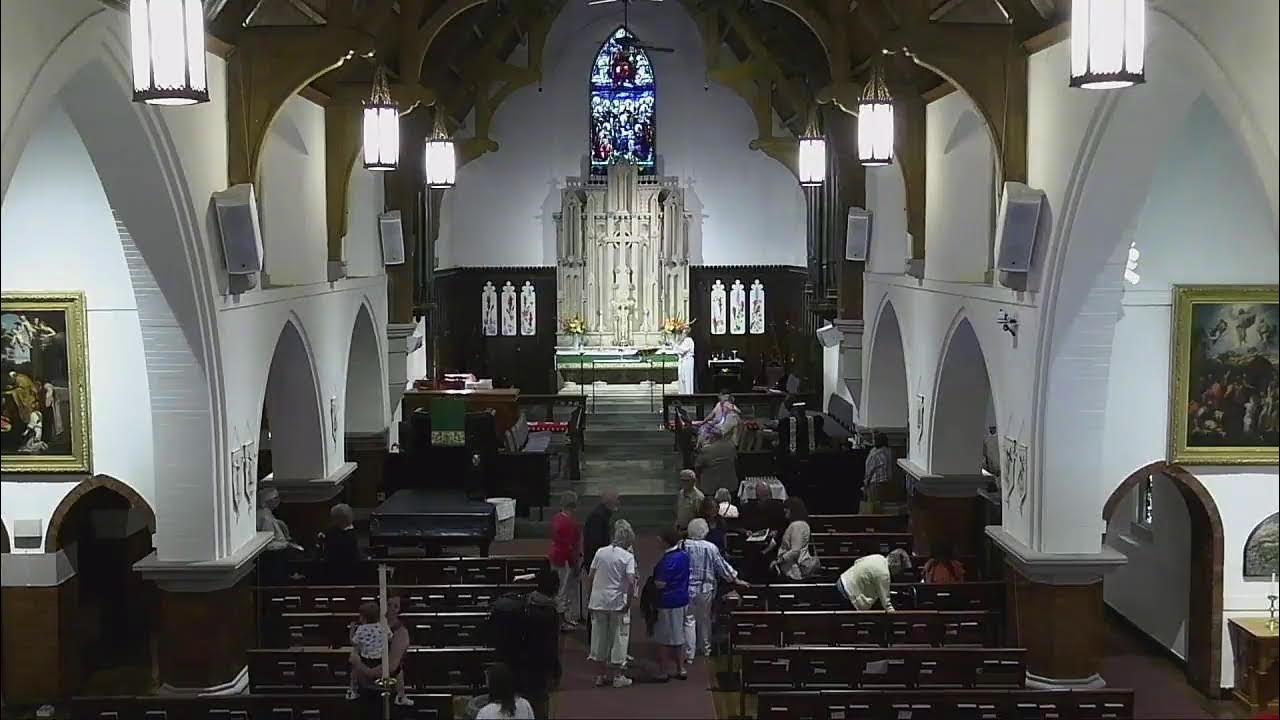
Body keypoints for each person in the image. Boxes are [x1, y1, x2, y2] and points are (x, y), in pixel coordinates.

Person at [489, 569, 561, 719]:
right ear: (555, 589)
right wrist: (555, 671)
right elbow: (550, 647)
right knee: (539, 705)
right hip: (538, 669)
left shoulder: (523, 603)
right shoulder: (549, 613)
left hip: (516, 665)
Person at [683, 518, 749, 661]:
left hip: (686, 588)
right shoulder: (711, 547)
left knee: (689, 620)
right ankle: (706, 649)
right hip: (706, 588)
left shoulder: (683, 545)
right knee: (705, 619)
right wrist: (735, 579)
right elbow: (722, 566)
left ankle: (689, 654)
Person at [587, 520, 638, 688]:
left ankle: (600, 676)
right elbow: (631, 582)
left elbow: (590, 576)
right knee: (619, 637)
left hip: (598, 601)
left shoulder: (600, 552)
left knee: (599, 638)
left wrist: (590, 596)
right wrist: (628, 602)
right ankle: (617, 676)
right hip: (617, 602)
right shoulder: (628, 557)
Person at [349, 594, 413, 706]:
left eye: (395, 606)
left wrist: (364, 669)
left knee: (398, 671)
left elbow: (391, 666)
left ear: (399, 610)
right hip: (364, 682)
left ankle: (400, 696)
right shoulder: (365, 628)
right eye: (388, 604)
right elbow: (355, 653)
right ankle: (353, 691)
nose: (390, 609)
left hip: (387, 684)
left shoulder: (400, 632)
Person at [652, 527, 691, 680]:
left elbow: (660, 584)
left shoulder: (668, 561)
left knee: (664, 638)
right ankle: (681, 668)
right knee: (679, 635)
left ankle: (663, 670)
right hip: (682, 599)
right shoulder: (684, 556)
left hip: (668, 602)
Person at [548, 491, 582, 629]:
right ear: (574, 506)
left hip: (555, 557)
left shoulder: (556, 518)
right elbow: (570, 547)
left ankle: (562, 619)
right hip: (564, 561)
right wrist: (575, 564)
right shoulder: (570, 523)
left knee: (559, 589)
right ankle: (562, 621)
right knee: (563, 590)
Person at [836, 551, 911, 611]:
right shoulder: (884, 574)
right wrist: (897, 617)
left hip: (842, 580)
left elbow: (857, 561)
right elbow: (886, 603)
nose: (898, 573)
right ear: (896, 565)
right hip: (848, 593)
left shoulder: (878, 557)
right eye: (900, 569)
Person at [771, 497, 820, 581]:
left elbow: (795, 551)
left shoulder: (797, 526)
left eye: (786, 508)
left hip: (794, 570)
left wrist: (779, 560)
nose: (784, 510)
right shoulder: (803, 524)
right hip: (795, 568)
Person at [582, 489, 621, 576]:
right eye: (616, 499)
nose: (618, 502)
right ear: (609, 502)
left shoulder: (602, 515)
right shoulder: (598, 517)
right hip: (597, 564)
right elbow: (596, 543)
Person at [322, 503, 362, 584]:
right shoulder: (332, 531)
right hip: (332, 570)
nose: (333, 520)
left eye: (334, 518)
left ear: (341, 518)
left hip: (347, 572)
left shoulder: (350, 536)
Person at [695, 427, 738, 495]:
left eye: (708, 437)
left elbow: (697, 467)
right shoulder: (731, 447)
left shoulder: (706, 450)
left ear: (713, 437)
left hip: (711, 488)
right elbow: (735, 461)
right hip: (730, 485)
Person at [863, 432, 894, 513]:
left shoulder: (875, 453)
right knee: (881, 504)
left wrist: (865, 483)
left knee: (873, 506)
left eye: (875, 440)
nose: (873, 441)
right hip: (886, 482)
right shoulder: (889, 451)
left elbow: (870, 469)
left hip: (875, 482)